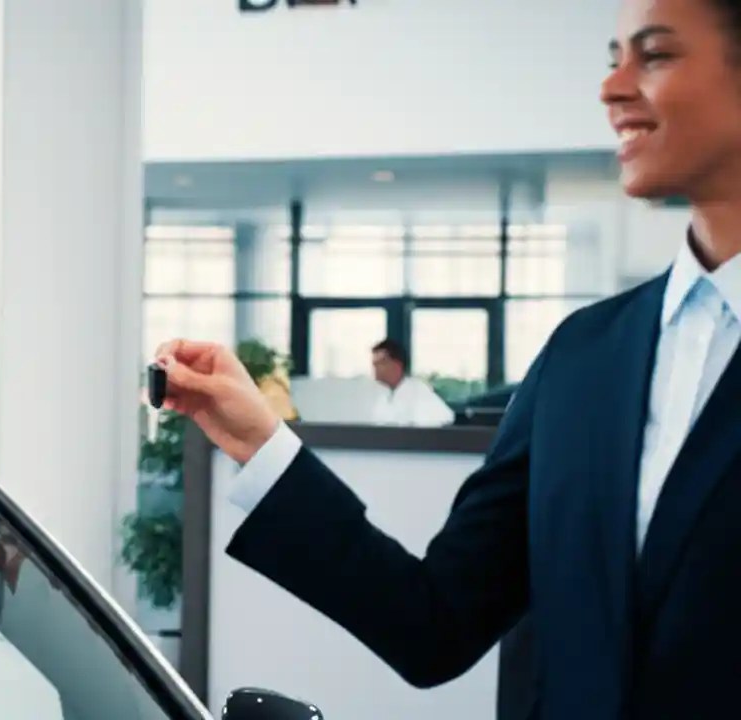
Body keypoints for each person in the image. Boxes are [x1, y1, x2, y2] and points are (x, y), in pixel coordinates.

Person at [154, 0, 741, 715]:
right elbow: (435, 624)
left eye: (654, 55)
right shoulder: (585, 357)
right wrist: (260, 442)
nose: (612, 88)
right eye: (613, 57)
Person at [368, 339, 453, 427]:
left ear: (397, 365)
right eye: (374, 364)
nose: (375, 368)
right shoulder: (381, 394)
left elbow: (443, 419)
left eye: (380, 363)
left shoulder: (419, 390)